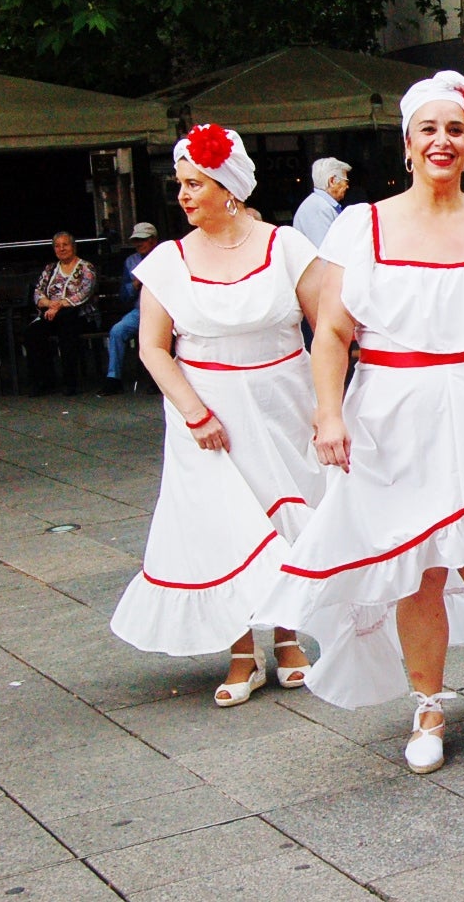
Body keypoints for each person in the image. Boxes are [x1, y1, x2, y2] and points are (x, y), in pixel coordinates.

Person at [256, 71, 464, 776]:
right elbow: (331, 331)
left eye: (454, 130)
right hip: (391, 411)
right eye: (428, 130)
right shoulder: (364, 226)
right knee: (413, 567)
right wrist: (327, 411)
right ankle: (429, 703)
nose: (442, 141)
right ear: (407, 144)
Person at [109, 125, 324, 706]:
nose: (183, 195)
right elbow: (154, 347)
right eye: (180, 184)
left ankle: (287, 639)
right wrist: (194, 412)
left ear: (228, 187)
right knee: (223, 525)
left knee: (288, 515)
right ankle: (239, 651)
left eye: (194, 183)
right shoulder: (168, 261)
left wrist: (330, 405)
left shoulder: (285, 246)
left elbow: (328, 326)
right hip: (205, 413)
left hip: (282, 403)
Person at [25, 232, 98, 395]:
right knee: (33, 333)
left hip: (78, 314)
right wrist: (50, 304)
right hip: (51, 313)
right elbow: (38, 292)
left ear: (73, 246)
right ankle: (43, 380)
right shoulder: (50, 269)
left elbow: (85, 293)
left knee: (67, 328)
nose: (61, 248)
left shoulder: (86, 268)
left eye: (65, 244)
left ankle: (70, 382)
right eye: (57, 246)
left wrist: (59, 305)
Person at [97, 222, 159, 396]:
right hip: (140, 311)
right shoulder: (131, 261)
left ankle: (157, 379)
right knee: (117, 331)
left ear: (153, 240)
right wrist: (136, 283)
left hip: (164, 310)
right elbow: (124, 296)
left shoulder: (165, 257)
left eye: (143, 240)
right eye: (136, 240)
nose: (139, 244)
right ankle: (113, 379)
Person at [292, 157, 351, 247]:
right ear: (332, 181)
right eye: (346, 181)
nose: (347, 187)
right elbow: (325, 253)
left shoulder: (320, 204)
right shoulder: (318, 208)